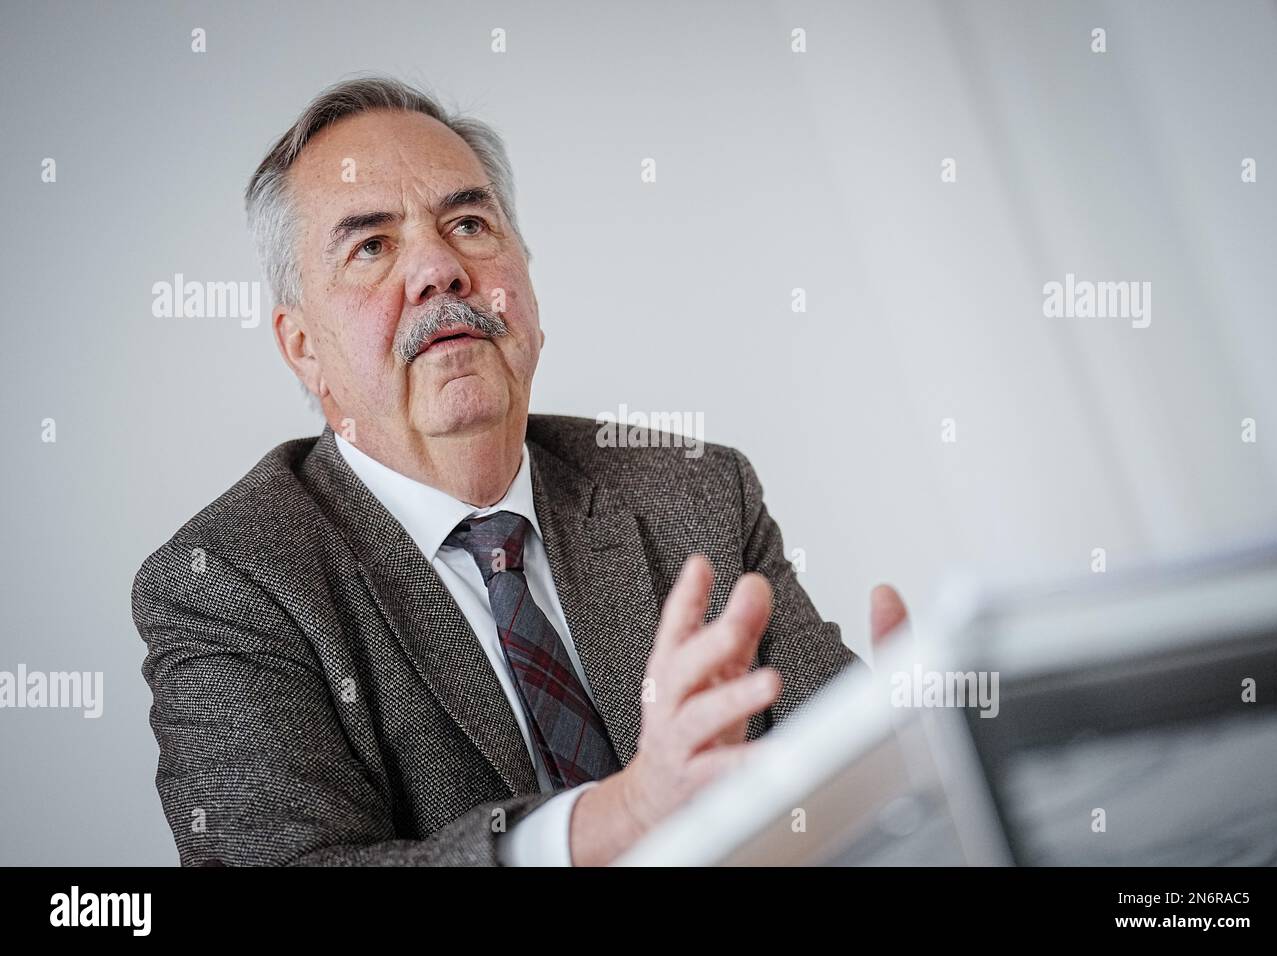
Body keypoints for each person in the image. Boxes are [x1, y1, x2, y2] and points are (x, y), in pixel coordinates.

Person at [132, 75, 907, 867]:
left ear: (527, 282)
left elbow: (847, 785)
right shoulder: (225, 585)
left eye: (468, 223)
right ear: (303, 347)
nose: (438, 269)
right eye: (372, 246)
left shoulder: (696, 490)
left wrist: (909, 742)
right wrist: (616, 819)